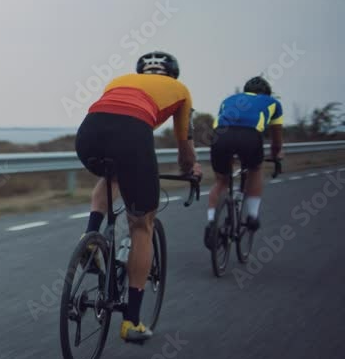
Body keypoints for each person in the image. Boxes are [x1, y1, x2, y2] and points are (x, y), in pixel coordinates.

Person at [74, 51, 202, 343]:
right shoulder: (181, 92)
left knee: (111, 177)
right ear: (173, 74)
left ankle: (90, 239)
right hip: (132, 135)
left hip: (88, 133)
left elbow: (114, 115)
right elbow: (185, 146)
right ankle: (131, 321)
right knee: (142, 225)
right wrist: (190, 169)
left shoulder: (120, 80)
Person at [204, 75, 284, 247]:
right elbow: (277, 139)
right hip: (250, 136)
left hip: (221, 136)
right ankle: (253, 216)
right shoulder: (272, 103)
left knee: (221, 180)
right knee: (255, 169)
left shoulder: (229, 99)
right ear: (267, 93)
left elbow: (223, 122)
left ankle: (211, 222)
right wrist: (276, 154)